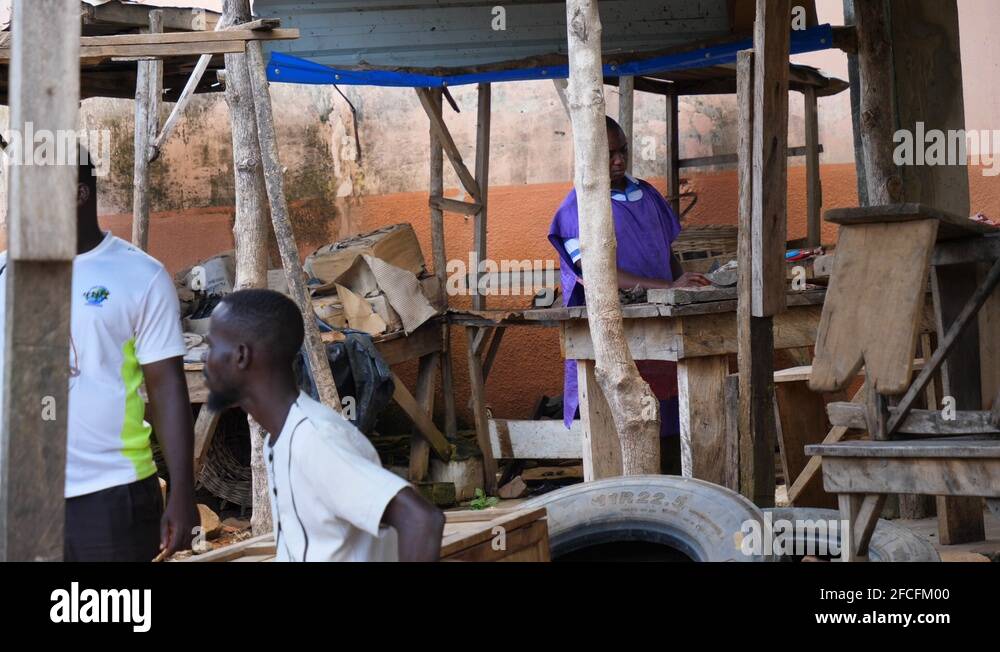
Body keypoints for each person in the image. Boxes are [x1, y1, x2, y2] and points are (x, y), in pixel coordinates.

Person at [0, 152, 198, 561]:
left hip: (111, 495)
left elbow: (166, 388)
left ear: (79, 193)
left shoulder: (140, 275)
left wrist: (183, 490)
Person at [202, 289, 445, 562]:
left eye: (212, 347)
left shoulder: (314, 439)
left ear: (241, 356)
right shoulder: (281, 438)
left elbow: (421, 519)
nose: (204, 359)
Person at [548, 116, 710, 473]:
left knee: (671, 410)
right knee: (623, 416)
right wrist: (668, 287)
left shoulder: (647, 194)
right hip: (612, 329)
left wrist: (685, 284)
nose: (618, 160)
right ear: (588, 156)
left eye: (622, 151)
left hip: (661, 321)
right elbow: (596, 274)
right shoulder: (577, 208)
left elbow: (666, 252)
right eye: (608, 154)